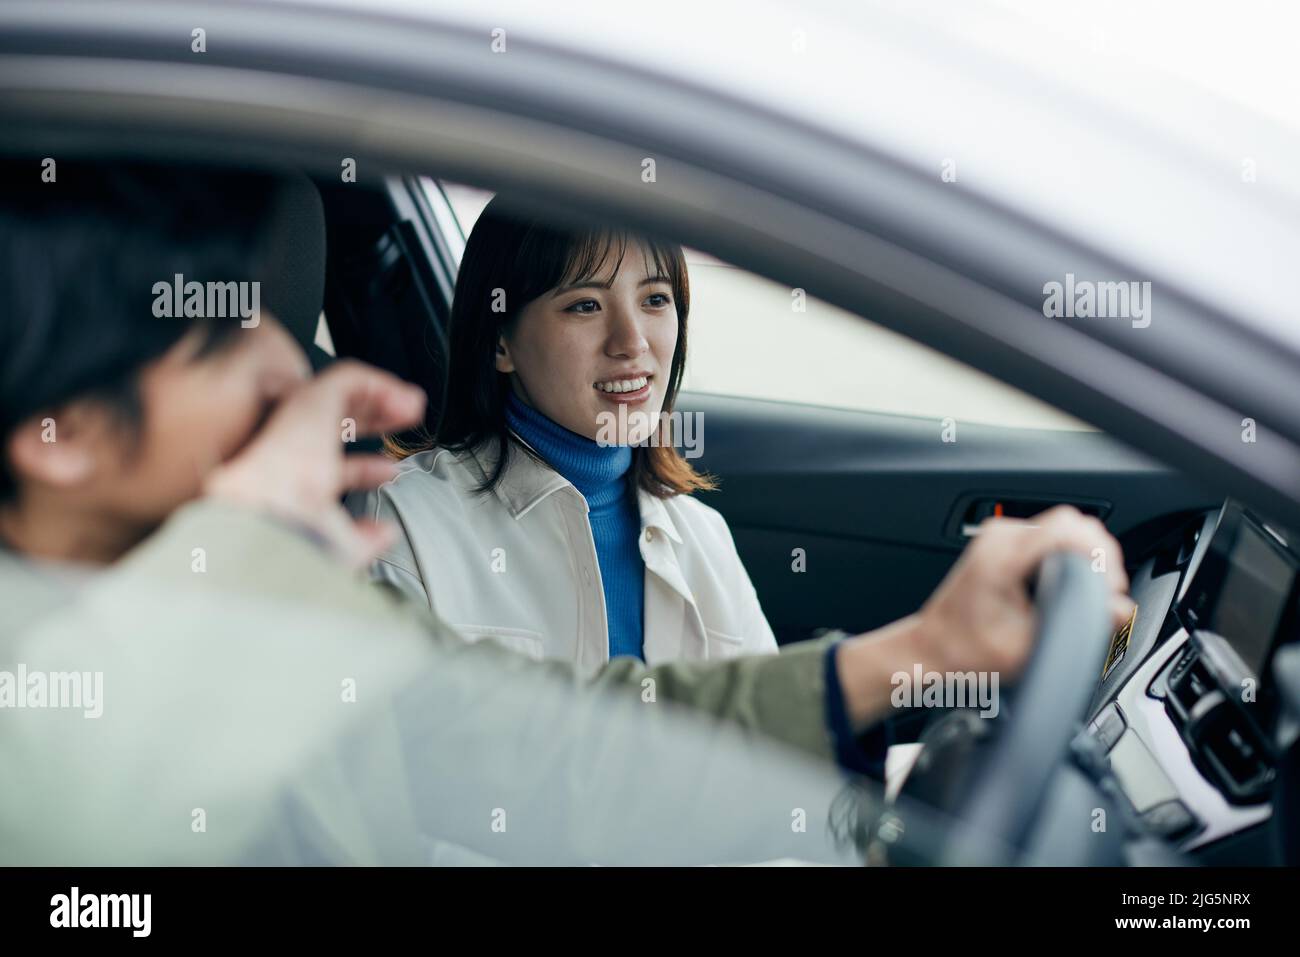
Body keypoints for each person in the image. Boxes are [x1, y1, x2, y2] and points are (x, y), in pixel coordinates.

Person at [0, 161, 1134, 864]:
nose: (293, 386)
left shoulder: (282, 588)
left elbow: (545, 748)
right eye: (227, 355)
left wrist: (912, 659)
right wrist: (244, 542)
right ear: (71, 436)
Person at [355, 196, 775, 668]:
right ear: (500, 342)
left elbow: (774, 731)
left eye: (655, 299)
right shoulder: (403, 523)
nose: (632, 342)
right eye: (585, 305)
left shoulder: (705, 538)